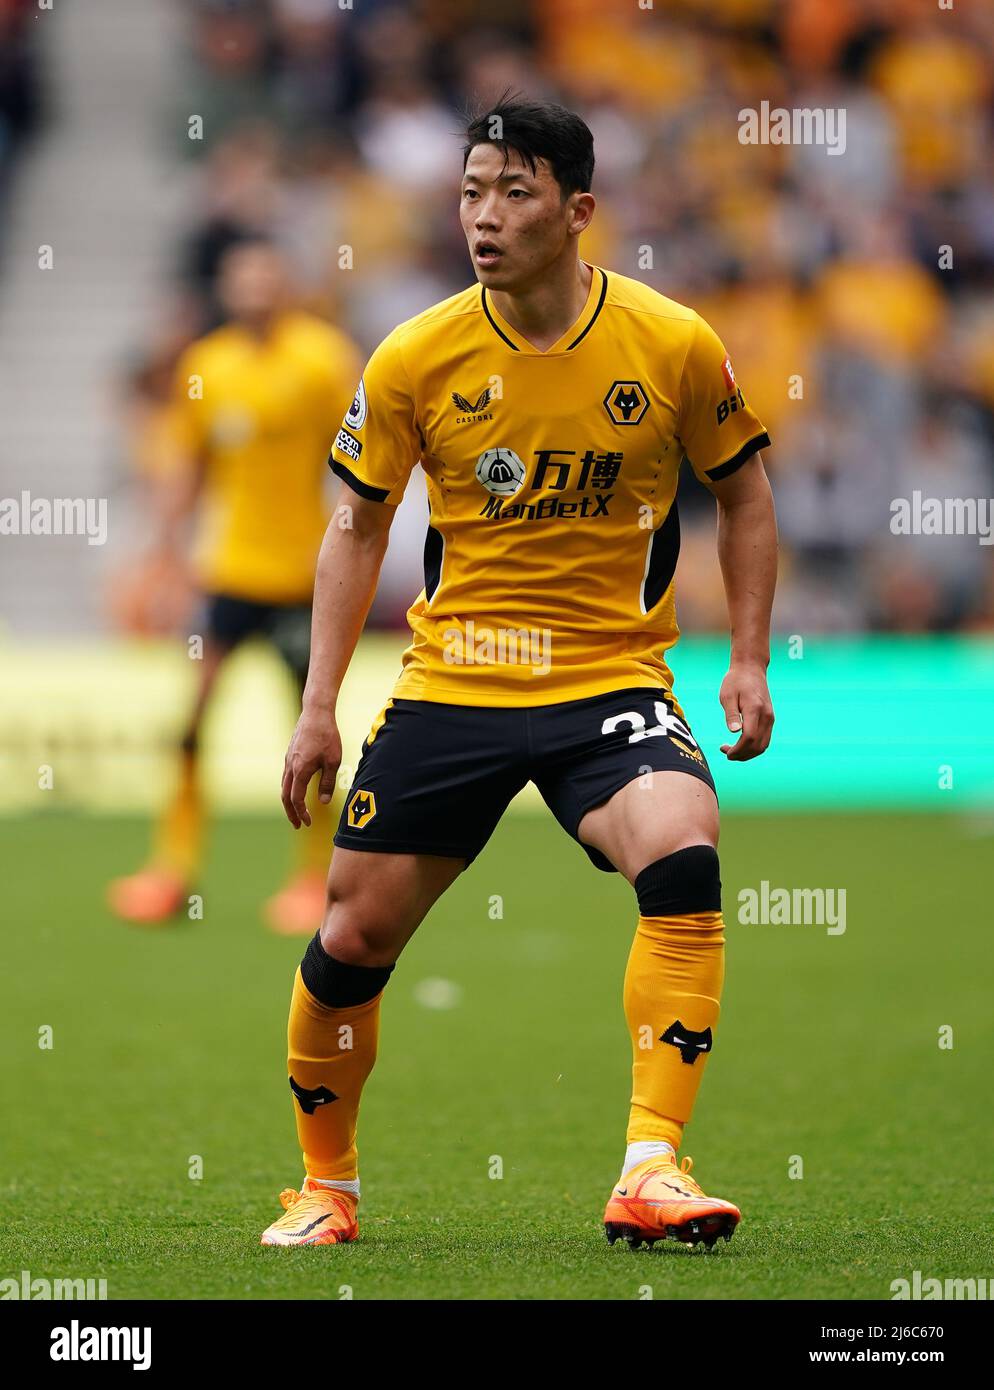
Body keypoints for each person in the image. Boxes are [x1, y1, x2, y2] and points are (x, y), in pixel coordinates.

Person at [262, 96, 776, 1247]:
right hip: (457, 684)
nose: (482, 218)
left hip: (609, 683)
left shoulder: (673, 343)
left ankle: (653, 1164)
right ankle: (325, 1186)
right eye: (469, 192)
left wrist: (745, 655)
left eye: (513, 192)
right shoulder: (415, 352)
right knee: (351, 937)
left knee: (684, 844)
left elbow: (743, 491)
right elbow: (352, 530)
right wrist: (316, 709)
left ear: (579, 209)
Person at [108, 238, 361, 935]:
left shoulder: (323, 358)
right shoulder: (207, 365)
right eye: (241, 279)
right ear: (226, 288)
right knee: (192, 720)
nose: (253, 290)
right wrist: (163, 555)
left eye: (265, 278)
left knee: (310, 732)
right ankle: (172, 868)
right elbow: (188, 466)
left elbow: (362, 461)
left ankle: (315, 879)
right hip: (227, 574)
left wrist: (353, 552)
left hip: (300, 578)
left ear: (285, 285)